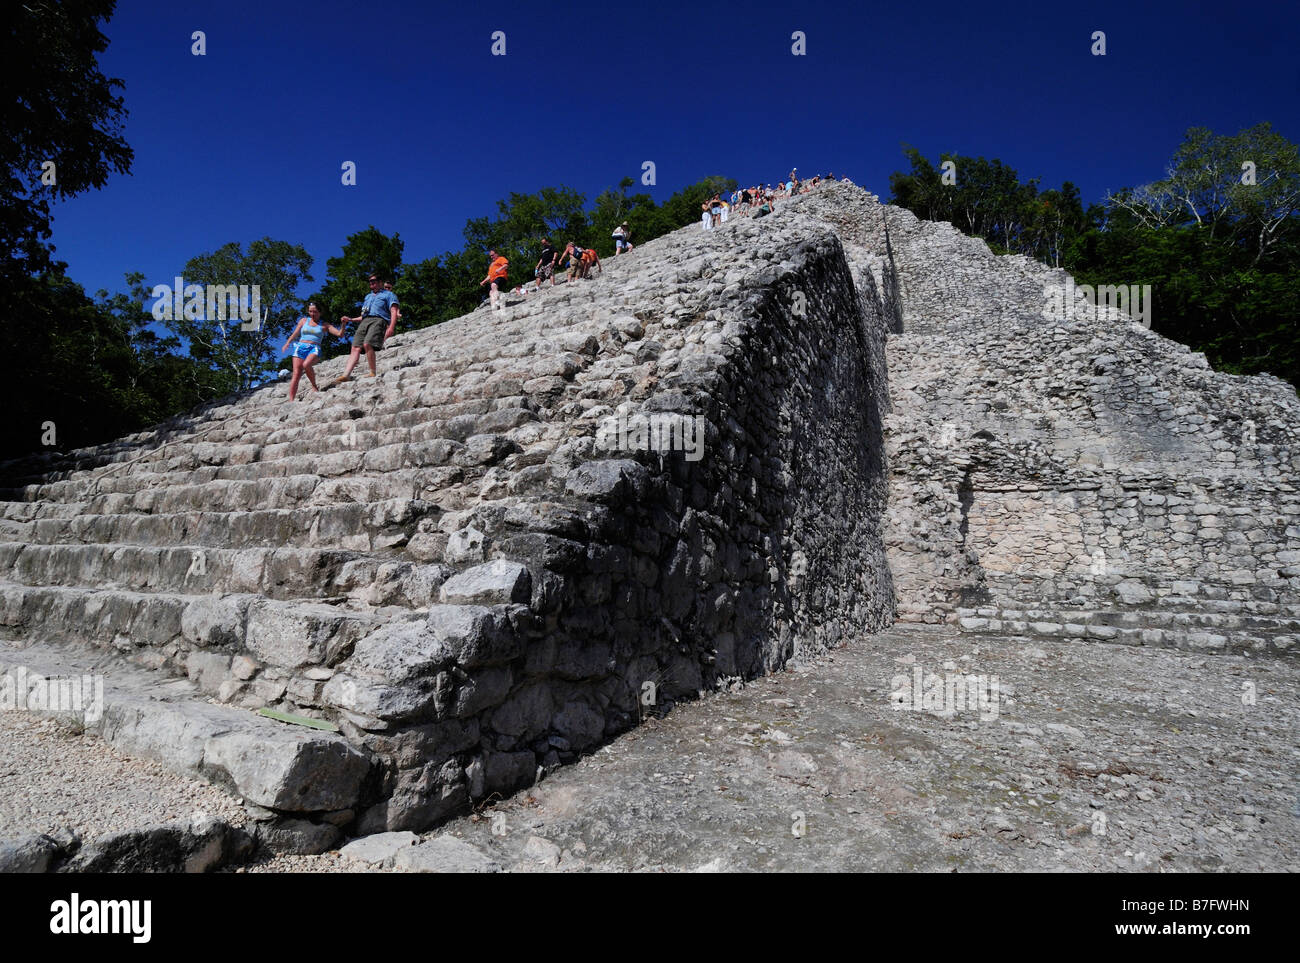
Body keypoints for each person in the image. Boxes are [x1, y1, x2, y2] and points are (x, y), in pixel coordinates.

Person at [331, 273, 399, 386]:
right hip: (365, 321)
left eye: (374, 281)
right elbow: (364, 314)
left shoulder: (389, 295)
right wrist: (351, 319)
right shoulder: (368, 297)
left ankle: (372, 371)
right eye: (370, 281)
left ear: (380, 282)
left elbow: (393, 311)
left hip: (379, 320)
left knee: (368, 344)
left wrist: (391, 327)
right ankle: (346, 375)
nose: (371, 283)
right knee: (355, 347)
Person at [281, 301, 342, 401]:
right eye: (310, 311)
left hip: (314, 347)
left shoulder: (324, 325)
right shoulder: (304, 321)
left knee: (306, 364)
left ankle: (314, 385)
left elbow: (339, 334)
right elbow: (295, 333)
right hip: (300, 347)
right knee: (296, 373)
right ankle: (291, 399)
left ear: (320, 312)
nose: (312, 314)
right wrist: (288, 342)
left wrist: (343, 325)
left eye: (315, 312)